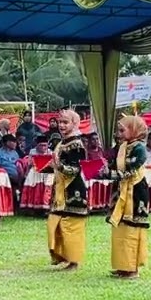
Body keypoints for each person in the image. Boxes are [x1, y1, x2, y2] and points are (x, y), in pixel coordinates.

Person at [43, 109, 89, 271]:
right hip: (60, 189)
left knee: (71, 226)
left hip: (74, 190)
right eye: (60, 122)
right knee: (54, 223)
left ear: (74, 124)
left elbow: (76, 169)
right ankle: (62, 256)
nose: (61, 125)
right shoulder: (62, 142)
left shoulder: (76, 144)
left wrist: (59, 166)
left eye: (65, 122)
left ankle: (74, 261)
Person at [105, 115, 150, 279]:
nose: (119, 133)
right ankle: (122, 266)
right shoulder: (122, 147)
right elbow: (114, 166)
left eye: (122, 130)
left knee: (132, 228)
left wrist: (111, 174)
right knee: (120, 228)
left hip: (136, 190)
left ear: (134, 130)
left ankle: (133, 268)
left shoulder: (139, 148)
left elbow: (131, 170)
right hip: (121, 189)